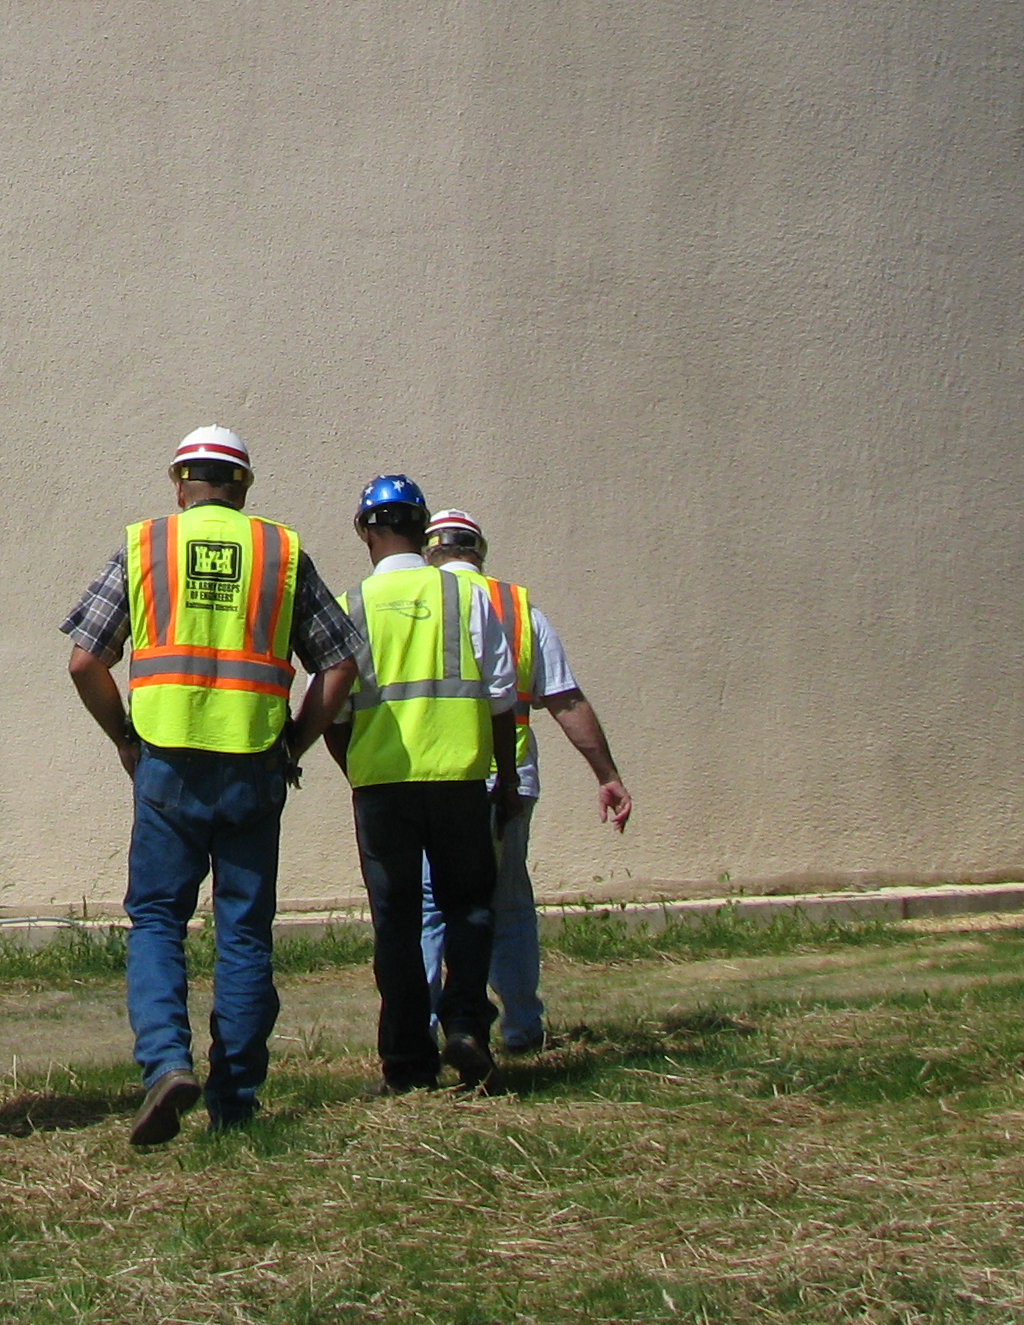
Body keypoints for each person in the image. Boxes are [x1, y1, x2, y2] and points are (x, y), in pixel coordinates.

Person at [63, 425, 362, 1144]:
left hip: (166, 761)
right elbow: (340, 664)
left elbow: (83, 661)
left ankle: (166, 1062)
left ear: (179, 484)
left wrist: (126, 741)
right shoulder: (280, 552)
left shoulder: (146, 546)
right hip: (256, 760)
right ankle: (235, 1098)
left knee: (160, 920)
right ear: (245, 487)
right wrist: (295, 741)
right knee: (244, 929)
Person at [324, 475, 521, 1093]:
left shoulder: (352, 605)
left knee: (398, 923)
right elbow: (500, 700)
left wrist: (355, 767)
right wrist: (507, 778)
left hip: (383, 788)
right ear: (424, 527)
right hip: (461, 779)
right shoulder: (468, 599)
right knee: (469, 909)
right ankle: (465, 1024)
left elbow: (333, 712)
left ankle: (407, 1062)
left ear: (365, 531)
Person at [419, 506, 632, 1057]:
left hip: (429, 780)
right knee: (507, 901)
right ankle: (521, 1027)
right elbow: (564, 698)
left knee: (429, 908)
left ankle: (417, 1036)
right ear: (479, 551)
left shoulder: (414, 604)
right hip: (506, 784)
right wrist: (606, 775)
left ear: (430, 552)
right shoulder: (517, 611)